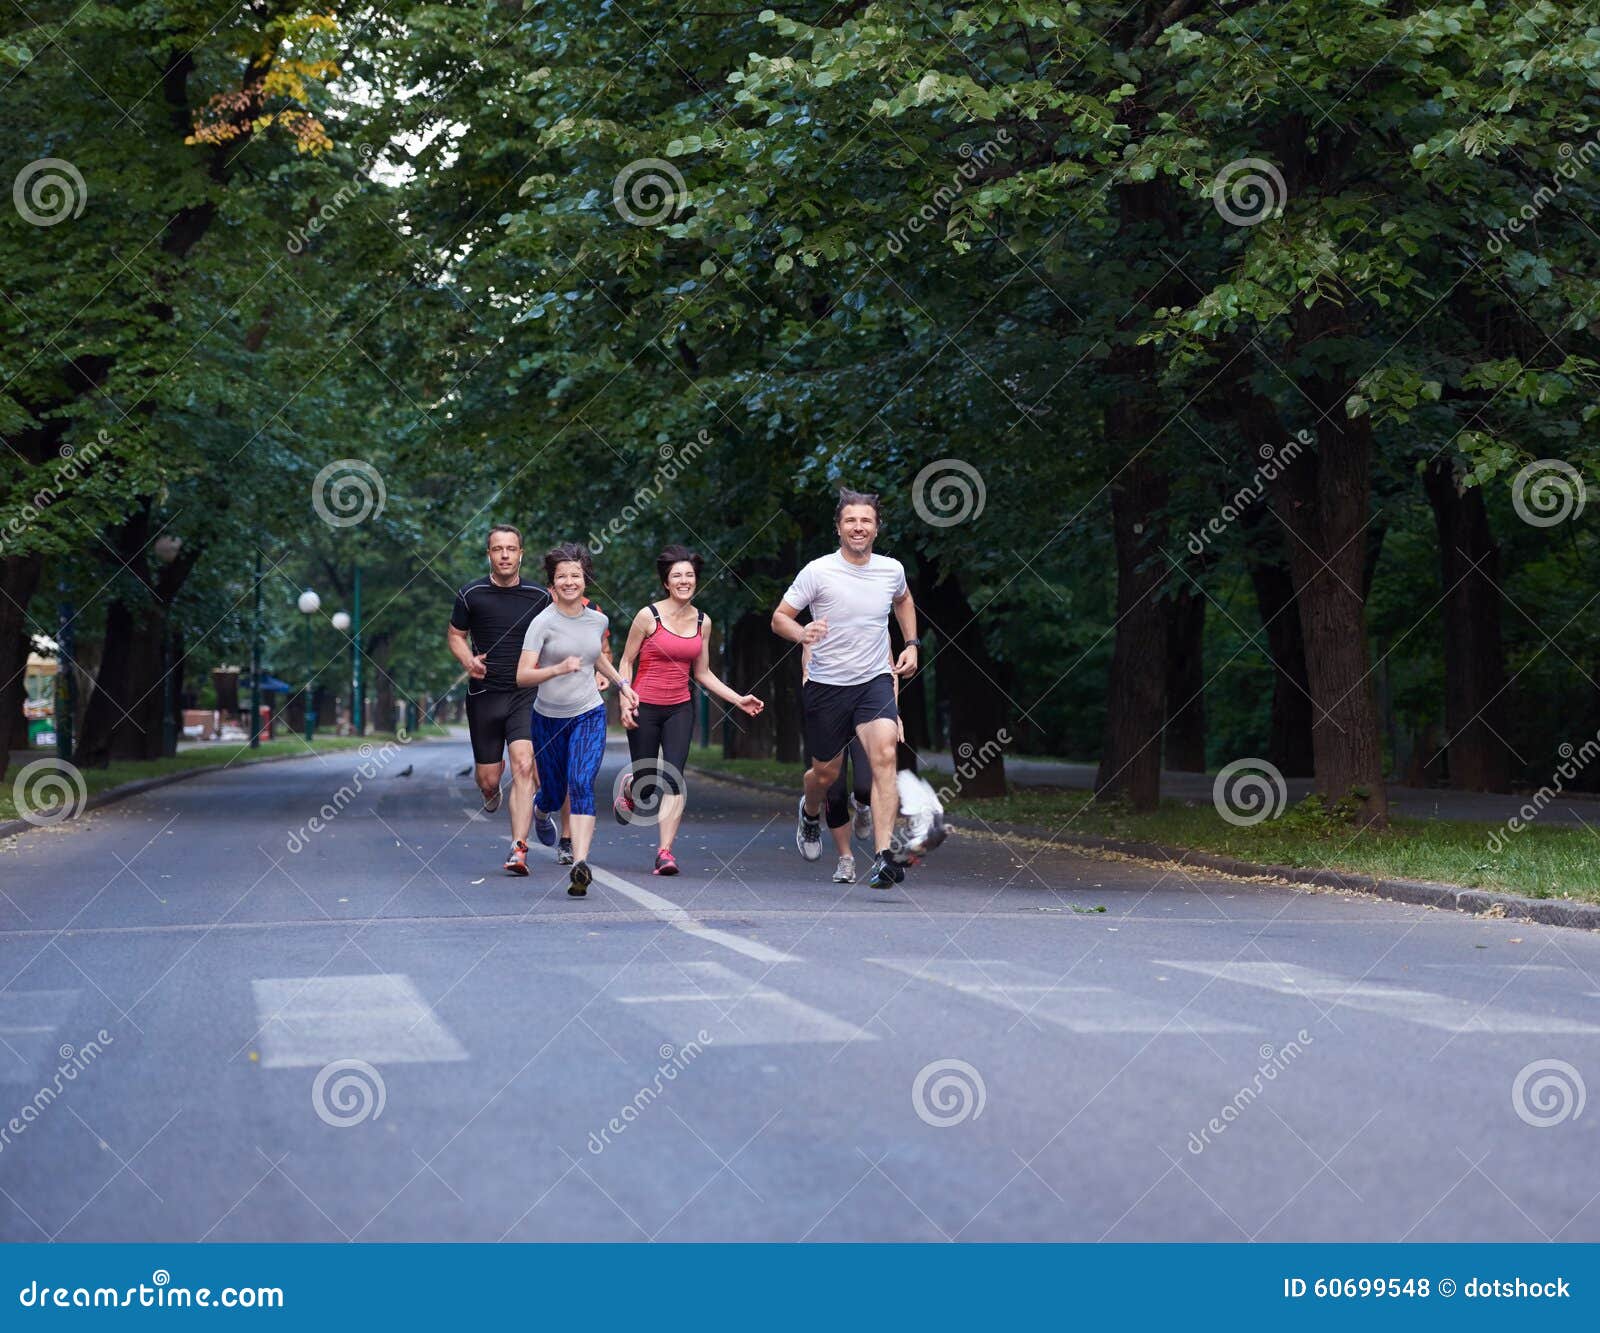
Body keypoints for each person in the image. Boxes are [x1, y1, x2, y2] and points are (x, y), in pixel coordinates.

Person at [772, 488, 919, 890]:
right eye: (851, 521)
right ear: (839, 528)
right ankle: (810, 809)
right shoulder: (818, 572)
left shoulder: (891, 570)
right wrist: (802, 631)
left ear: (876, 527)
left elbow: (904, 601)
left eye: (866, 521)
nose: (859, 527)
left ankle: (885, 856)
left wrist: (911, 644)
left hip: (873, 681)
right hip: (826, 686)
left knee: (886, 755)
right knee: (824, 773)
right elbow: (779, 618)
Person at [615, 545, 765, 874]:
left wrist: (738, 699)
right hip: (645, 705)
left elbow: (703, 673)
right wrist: (626, 697)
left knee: (673, 777)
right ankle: (631, 786)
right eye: (677, 576)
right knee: (647, 785)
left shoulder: (703, 621)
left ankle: (665, 852)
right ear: (666, 582)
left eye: (690, 575)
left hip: (679, 708)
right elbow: (626, 661)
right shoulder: (647, 616)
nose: (684, 581)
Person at [516, 543, 639, 896]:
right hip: (548, 718)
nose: (570, 582)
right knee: (554, 793)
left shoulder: (598, 619)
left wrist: (622, 685)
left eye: (576, 575)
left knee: (582, 782)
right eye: (562, 577)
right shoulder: (541, 623)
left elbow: (596, 657)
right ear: (552, 583)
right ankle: (541, 812)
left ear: (585, 580)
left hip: (588, 712)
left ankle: (580, 864)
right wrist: (557, 668)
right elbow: (523, 676)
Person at [446, 524, 551, 875]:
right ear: (489, 554)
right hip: (484, 695)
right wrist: (467, 660)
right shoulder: (470, 594)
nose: (505, 555)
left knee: (525, 765)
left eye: (511, 549)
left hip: (525, 693)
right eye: (497, 549)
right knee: (488, 780)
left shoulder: (540, 597)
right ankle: (491, 789)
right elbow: (456, 635)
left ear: (521, 553)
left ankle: (518, 849)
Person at [803, 641, 897, 883]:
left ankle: (864, 806)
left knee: (866, 784)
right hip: (829, 708)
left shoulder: (873, 621)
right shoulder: (821, 623)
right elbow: (808, 673)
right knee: (834, 791)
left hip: (864, 711)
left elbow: (888, 672)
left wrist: (893, 714)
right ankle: (846, 858)